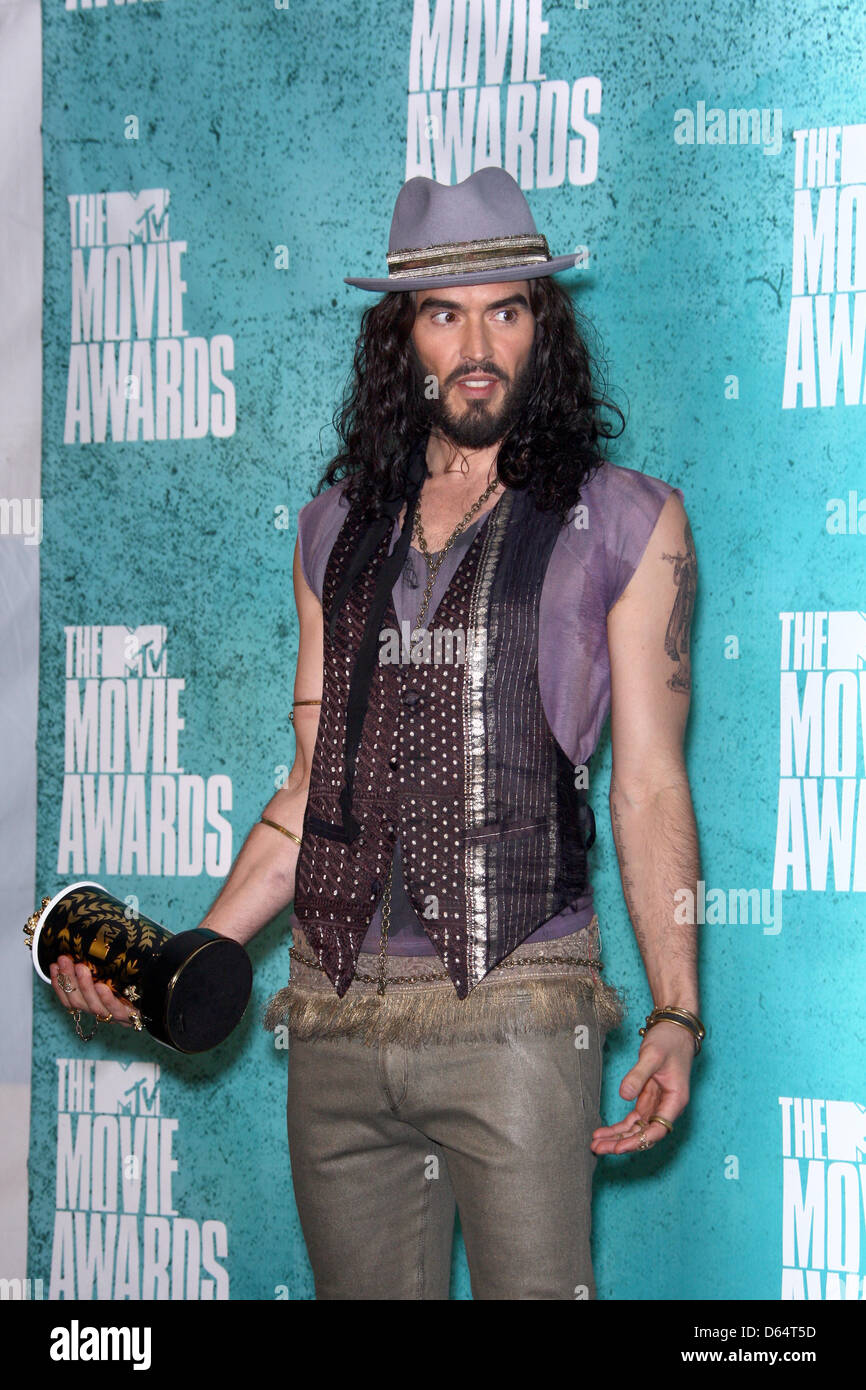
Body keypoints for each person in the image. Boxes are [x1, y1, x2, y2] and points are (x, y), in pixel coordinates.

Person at [49, 167, 704, 1301]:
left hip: (517, 1004)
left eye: (507, 308)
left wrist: (675, 1009)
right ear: (402, 334)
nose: (478, 342)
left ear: (542, 328)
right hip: (335, 1015)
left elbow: (646, 786)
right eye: (445, 313)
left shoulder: (627, 519)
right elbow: (314, 789)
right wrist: (179, 964)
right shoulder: (330, 527)